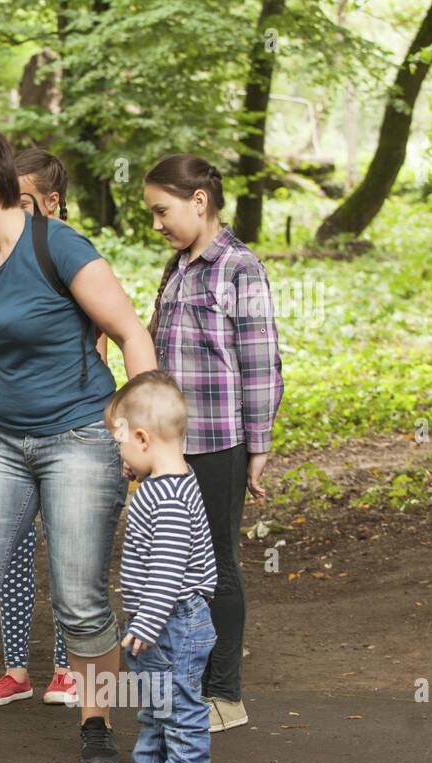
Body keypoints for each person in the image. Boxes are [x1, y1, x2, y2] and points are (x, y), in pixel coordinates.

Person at [0, 128, 156, 763]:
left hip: (78, 435)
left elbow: (130, 332)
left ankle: (97, 722)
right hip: (1, 443)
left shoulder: (60, 247)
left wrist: (147, 436)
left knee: (80, 597)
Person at [143, 154, 283, 732]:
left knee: (217, 564)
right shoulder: (177, 267)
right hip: (171, 446)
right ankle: (186, 685)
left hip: (219, 442)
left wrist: (258, 443)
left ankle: (224, 694)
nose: (157, 224)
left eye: (162, 211)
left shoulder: (238, 266)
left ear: (199, 201)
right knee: (172, 566)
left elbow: (259, 359)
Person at [0, 147, 100, 709]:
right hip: (4, 426)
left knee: (73, 558)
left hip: (71, 427)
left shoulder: (68, 253)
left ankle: (68, 669)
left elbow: (101, 343)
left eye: (23, 202)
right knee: (9, 553)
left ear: (51, 202)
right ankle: (15, 669)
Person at [99, 371, 218, 763]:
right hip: (161, 621)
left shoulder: (166, 497)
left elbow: (168, 570)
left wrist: (146, 622)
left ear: (143, 439)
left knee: (178, 704)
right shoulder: (167, 484)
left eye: (121, 444)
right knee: (155, 702)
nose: (120, 454)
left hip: (175, 622)